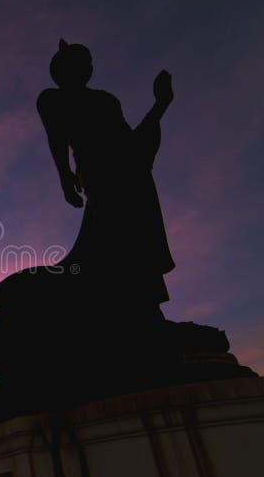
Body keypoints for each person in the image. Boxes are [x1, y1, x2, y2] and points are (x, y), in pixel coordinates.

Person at [36, 39, 175, 315]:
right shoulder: (52, 99)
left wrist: (161, 104)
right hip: (100, 175)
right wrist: (65, 177)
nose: (86, 69)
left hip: (130, 175)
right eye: (78, 63)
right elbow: (56, 138)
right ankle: (114, 304)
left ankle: (142, 308)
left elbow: (131, 143)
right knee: (110, 240)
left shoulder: (106, 100)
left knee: (136, 245)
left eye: (87, 64)